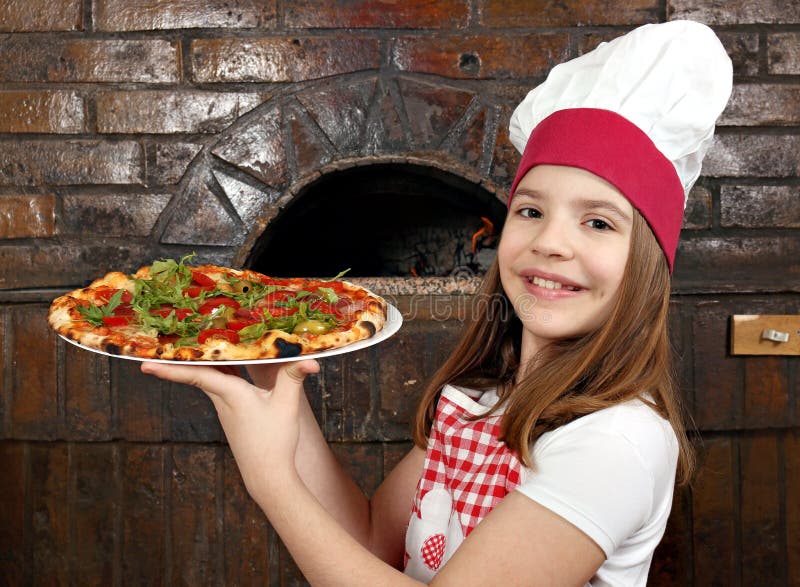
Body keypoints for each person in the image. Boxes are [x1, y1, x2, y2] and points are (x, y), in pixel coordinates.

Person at [141, 20, 732, 586]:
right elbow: (373, 539)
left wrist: (272, 480)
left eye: (598, 223)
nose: (550, 242)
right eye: (530, 210)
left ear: (648, 265)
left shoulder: (614, 442)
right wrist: (269, 378)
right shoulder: (488, 400)